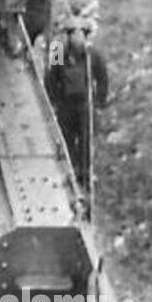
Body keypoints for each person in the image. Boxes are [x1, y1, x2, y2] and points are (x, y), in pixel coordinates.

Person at [45, 11, 109, 186]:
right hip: (65, 104)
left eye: (81, 34)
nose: (78, 38)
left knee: (86, 140)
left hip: (84, 104)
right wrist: (54, 100)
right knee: (66, 138)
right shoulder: (57, 50)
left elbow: (102, 78)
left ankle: (85, 173)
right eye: (74, 33)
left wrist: (98, 102)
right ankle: (70, 172)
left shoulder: (92, 55)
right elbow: (50, 77)